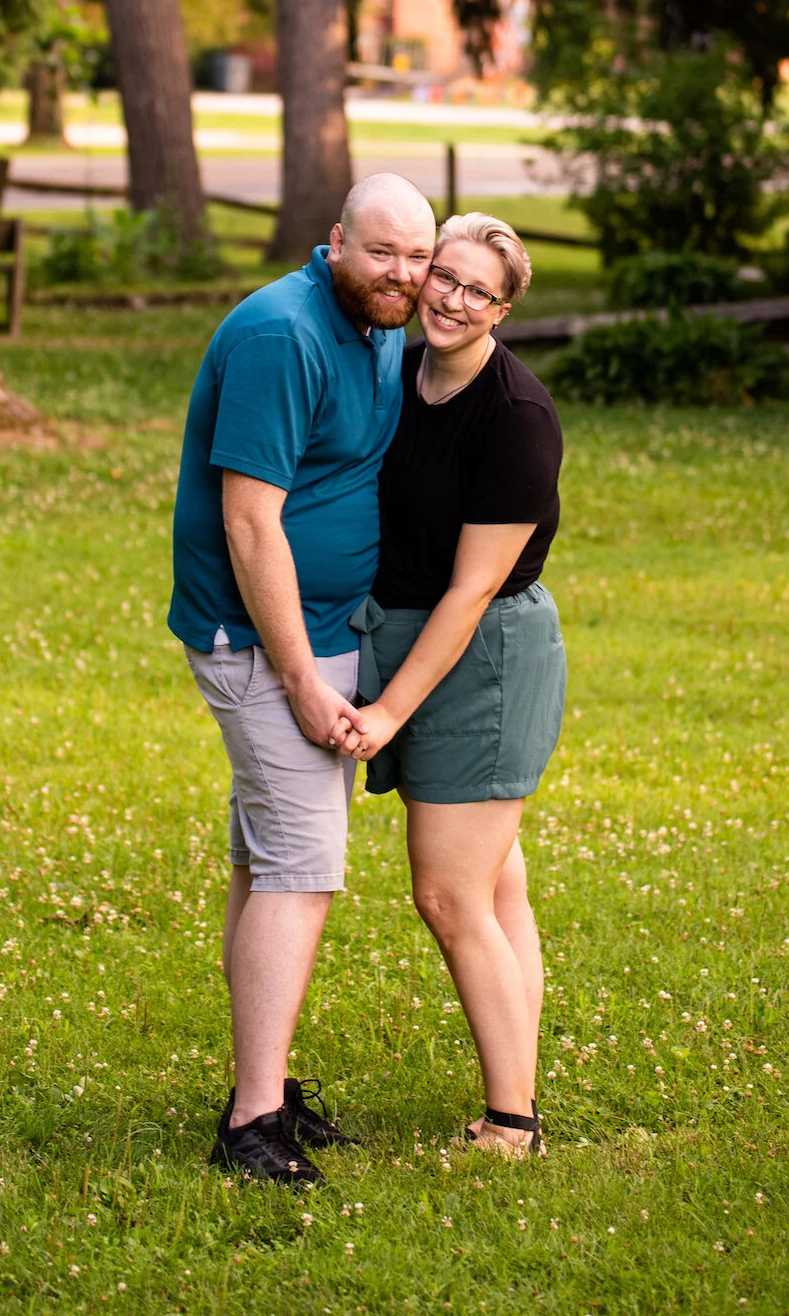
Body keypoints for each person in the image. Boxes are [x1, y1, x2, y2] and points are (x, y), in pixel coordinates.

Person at [169, 173, 437, 1186]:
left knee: (264, 859)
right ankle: (250, 1124)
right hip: (260, 639)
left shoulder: (373, 327)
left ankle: (264, 1083)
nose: (403, 275)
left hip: (322, 629)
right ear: (335, 242)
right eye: (382, 253)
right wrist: (296, 675)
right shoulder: (283, 332)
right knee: (301, 866)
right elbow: (250, 519)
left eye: (418, 257)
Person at [349, 213, 564, 1160]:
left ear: (503, 309)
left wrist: (391, 706)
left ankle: (511, 1123)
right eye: (445, 277)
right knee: (493, 886)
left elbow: (473, 590)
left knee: (446, 893)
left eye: (479, 292)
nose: (452, 300)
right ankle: (519, 1087)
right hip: (411, 635)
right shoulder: (397, 372)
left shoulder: (515, 418)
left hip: (484, 657)